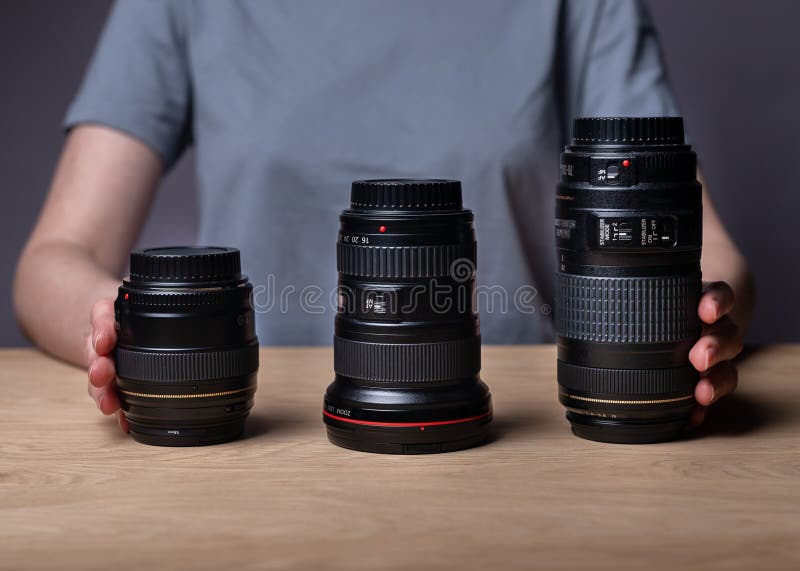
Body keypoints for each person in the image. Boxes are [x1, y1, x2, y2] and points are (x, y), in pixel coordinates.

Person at [13, 0, 754, 432]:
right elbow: (55, 256)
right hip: (255, 438)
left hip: (534, 434)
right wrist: (134, 329)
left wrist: (688, 328)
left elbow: (706, 247)